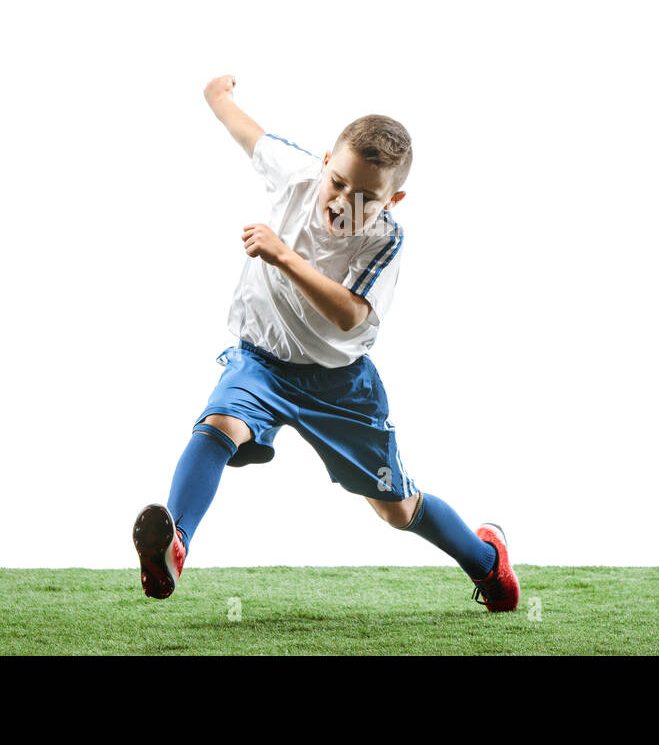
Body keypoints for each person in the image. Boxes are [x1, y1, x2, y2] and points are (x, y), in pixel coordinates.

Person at [132, 74, 519, 612]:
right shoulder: (297, 176)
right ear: (323, 164)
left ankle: (485, 561)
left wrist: (284, 257)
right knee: (220, 423)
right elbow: (252, 137)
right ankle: (175, 545)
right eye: (337, 182)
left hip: (338, 386)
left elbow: (350, 314)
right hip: (260, 363)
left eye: (366, 197)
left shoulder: (384, 241)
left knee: (396, 510)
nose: (343, 202)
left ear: (394, 200)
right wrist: (219, 99)